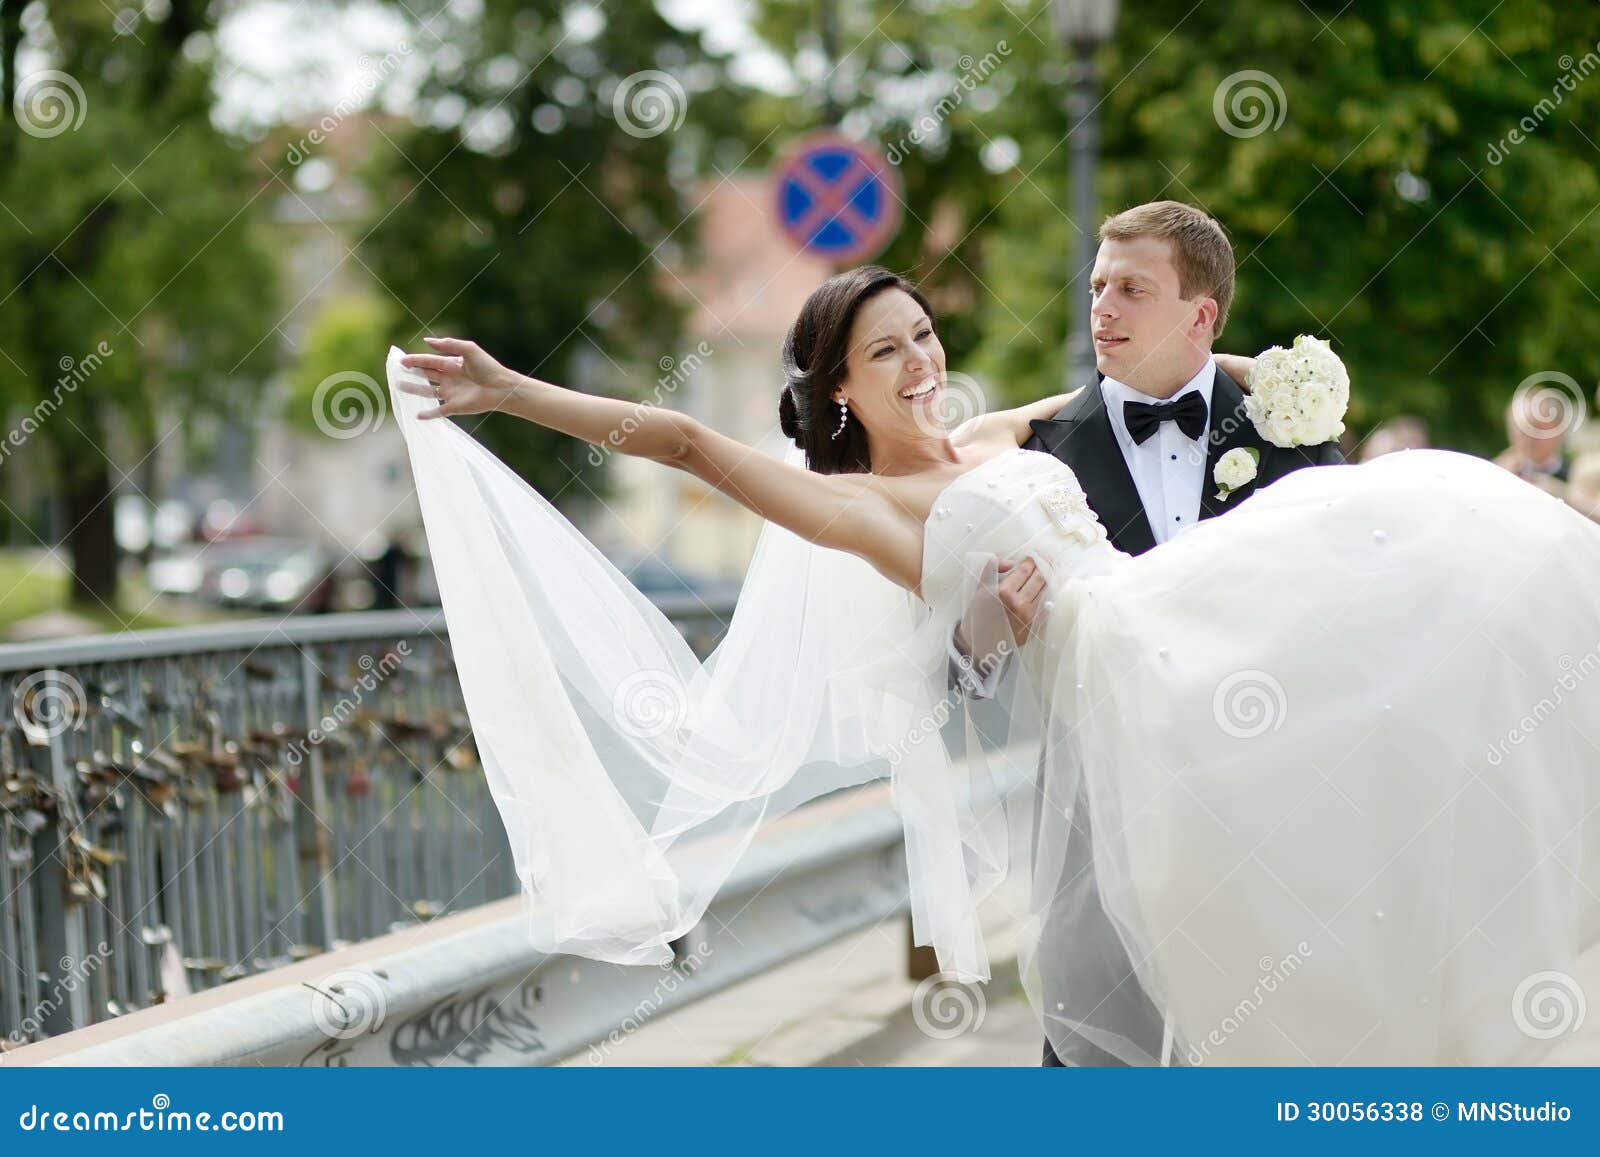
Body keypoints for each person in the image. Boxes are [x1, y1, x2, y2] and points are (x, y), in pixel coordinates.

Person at [390, 257, 1600, 1066]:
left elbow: (1111, 387)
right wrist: (512, 391)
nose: (919, 361)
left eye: (921, 334)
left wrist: (1250, 373)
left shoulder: (985, 435)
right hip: (1134, 705)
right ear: (837, 389)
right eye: (884, 353)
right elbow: (691, 442)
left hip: (1178, 626)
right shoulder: (865, 507)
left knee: (1420, 568)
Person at [944, 202, 1344, 1066]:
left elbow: (1358, 611)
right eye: (1097, 287)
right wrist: (988, 628)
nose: (1103, 308)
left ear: (1202, 314)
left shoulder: (1296, 438)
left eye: (1132, 288)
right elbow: (960, 671)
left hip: (1267, 818)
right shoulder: (1039, 456)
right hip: (1101, 833)